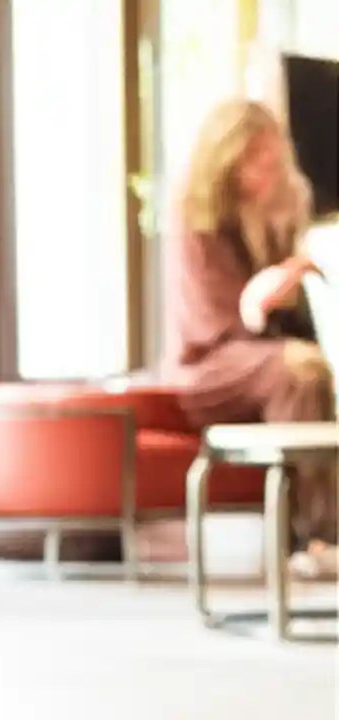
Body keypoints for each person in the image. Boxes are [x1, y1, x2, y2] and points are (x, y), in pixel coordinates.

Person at [163, 98, 336, 578]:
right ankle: (316, 533)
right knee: (298, 370)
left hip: (265, 361)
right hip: (206, 367)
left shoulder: (278, 212)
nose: (267, 171)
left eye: (271, 159)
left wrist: (291, 277)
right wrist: (261, 301)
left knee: (306, 368)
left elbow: (290, 322)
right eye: (255, 159)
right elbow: (222, 323)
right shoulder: (194, 220)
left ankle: (313, 533)